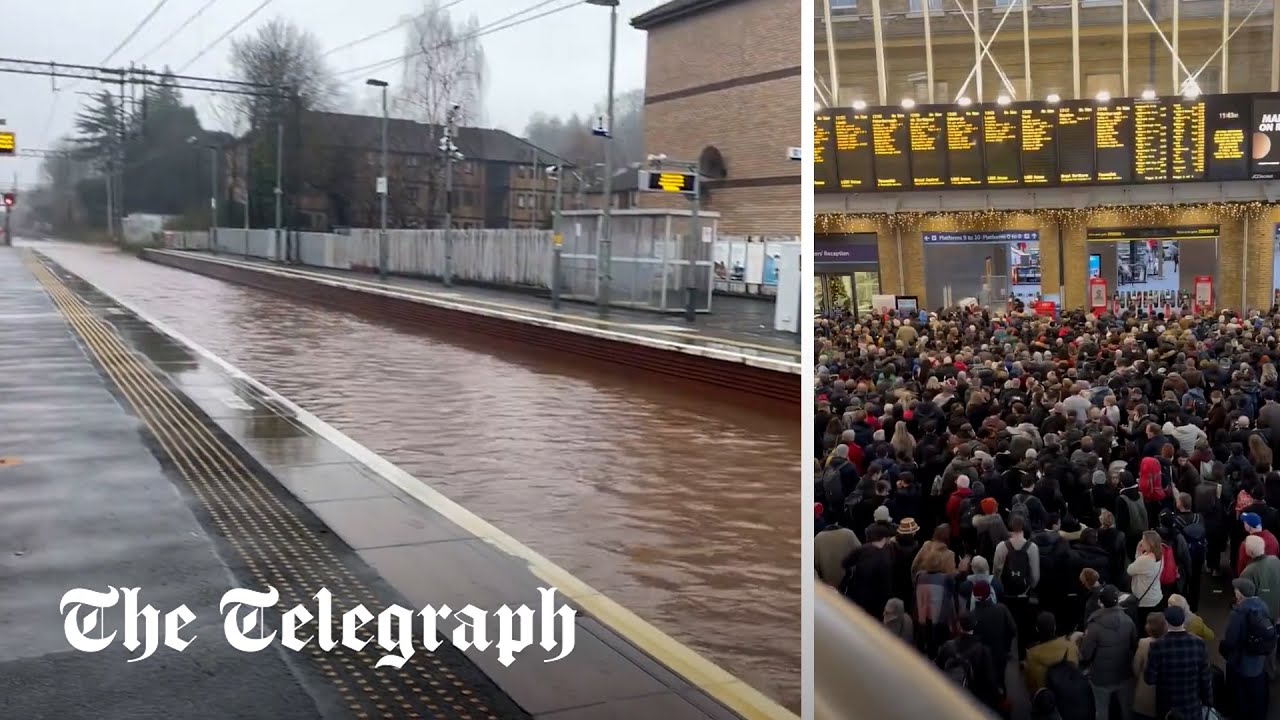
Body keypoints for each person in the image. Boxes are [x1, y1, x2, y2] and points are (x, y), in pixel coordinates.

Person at [1078, 585, 1138, 720]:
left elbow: (1085, 655)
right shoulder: (1128, 621)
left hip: (1101, 678)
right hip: (1123, 674)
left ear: (1100, 602)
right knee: (1126, 709)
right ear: (1118, 600)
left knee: (1101, 710)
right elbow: (1134, 645)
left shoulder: (1093, 626)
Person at [1143, 606, 1213, 720]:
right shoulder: (1198, 643)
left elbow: (1149, 679)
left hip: (1167, 708)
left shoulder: (1157, 646)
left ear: (1166, 622)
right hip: (1192, 705)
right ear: (1183, 620)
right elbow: (1205, 678)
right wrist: (1208, 702)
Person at [1220, 578, 1272, 720]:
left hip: (1241, 661)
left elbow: (1231, 640)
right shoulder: (1263, 605)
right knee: (1256, 693)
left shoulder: (1238, 613)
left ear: (1240, 594)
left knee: (1240, 694)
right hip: (1258, 660)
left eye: (1236, 590)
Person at [995, 515, 1041, 659]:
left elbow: (996, 570)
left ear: (1009, 527)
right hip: (1023, 594)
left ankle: (1006, 650)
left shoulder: (1002, 546)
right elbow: (1035, 575)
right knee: (1023, 625)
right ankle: (1022, 656)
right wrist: (1029, 587)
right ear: (1024, 528)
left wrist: (999, 588)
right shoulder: (1032, 547)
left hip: (1006, 593)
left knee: (1006, 624)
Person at [936, 614, 1003, 712]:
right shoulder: (983, 650)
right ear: (974, 626)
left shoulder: (947, 646)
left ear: (959, 626)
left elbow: (936, 669)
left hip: (949, 698)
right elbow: (989, 681)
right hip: (971, 702)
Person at [1026, 612, 1079, 695]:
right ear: (1055, 627)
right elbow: (1075, 671)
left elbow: (1031, 685)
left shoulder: (1031, 655)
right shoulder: (1070, 646)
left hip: (1047, 699)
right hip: (1069, 695)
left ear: (1037, 629)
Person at [1126, 531, 1166, 632]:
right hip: (1156, 595)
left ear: (1149, 544)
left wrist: (1138, 552)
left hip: (1144, 601)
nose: (1141, 542)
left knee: (1144, 628)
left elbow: (1130, 570)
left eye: (1143, 540)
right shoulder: (1160, 555)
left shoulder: (1145, 560)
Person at [1131, 613, 1166, 720]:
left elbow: (1136, 667)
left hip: (1145, 691)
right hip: (1164, 695)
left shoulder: (1144, 643)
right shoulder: (1171, 643)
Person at [814, 508, 860, 588]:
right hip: (848, 581)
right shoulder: (849, 533)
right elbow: (859, 552)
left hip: (827, 584)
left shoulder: (818, 538)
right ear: (837, 522)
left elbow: (815, 562)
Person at [1239, 533, 1280, 621]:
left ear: (1249, 552)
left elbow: (1245, 600)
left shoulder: (1247, 572)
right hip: (1276, 611)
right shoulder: (1275, 560)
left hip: (1259, 617)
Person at [1236, 511, 1280, 577]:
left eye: (1244, 523)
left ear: (1248, 526)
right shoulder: (1272, 539)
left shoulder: (1247, 544)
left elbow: (1242, 568)